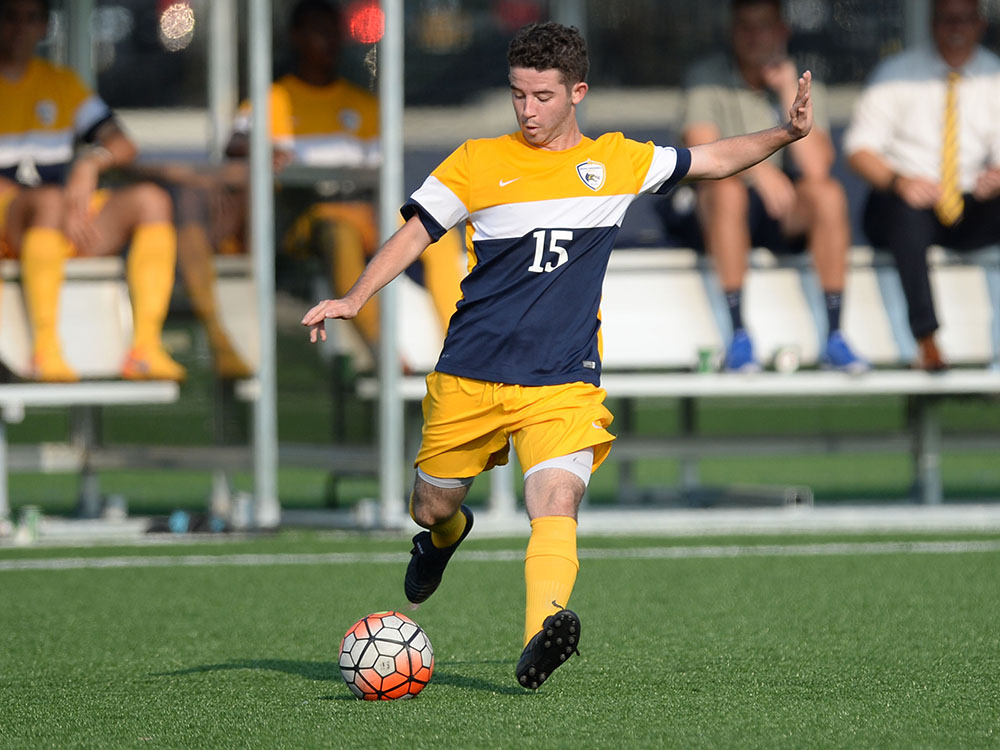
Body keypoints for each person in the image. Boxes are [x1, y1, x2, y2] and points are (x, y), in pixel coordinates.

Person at [302, 22, 815, 689]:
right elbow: (413, 236)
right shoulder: (476, 162)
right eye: (518, 95)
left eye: (542, 96)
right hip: (471, 372)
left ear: (577, 92)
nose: (528, 111)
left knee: (557, 498)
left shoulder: (617, 161)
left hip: (562, 379)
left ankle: (539, 639)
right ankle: (444, 536)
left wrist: (787, 133)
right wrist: (354, 296)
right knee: (429, 504)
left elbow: (712, 160)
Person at [177, 0, 462, 377]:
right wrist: (264, 150)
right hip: (307, 218)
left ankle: (459, 345)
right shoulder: (274, 99)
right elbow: (236, 145)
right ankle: (386, 354)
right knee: (338, 234)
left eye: (333, 33)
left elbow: (382, 173)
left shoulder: (363, 105)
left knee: (436, 236)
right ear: (297, 38)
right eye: (318, 32)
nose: (328, 42)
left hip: (366, 212)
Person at [676, 0, 866, 372]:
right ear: (733, 33)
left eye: (763, 27)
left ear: (782, 32)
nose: (754, 37)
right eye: (745, 27)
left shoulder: (802, 82)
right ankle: (739, 336)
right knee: (727, 190)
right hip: (715, 210)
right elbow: (698, 152)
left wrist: (785, 94)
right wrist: (757, 171)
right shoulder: (707, 77)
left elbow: (816, 167)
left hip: (779, 210)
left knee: (828, 194)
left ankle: (835, 336)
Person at [0, 0, 185, 382]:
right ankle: (45, 349)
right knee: (49, 200)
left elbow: (122, 144)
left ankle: (145, 348)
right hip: (13, 221)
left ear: (43, 27)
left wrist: (89, 163)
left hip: (57, 220)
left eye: (31, 18)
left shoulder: (61, 84)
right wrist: (53, 202)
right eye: (10, 17)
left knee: (152, 200)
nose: (20, 28)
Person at [844, 0, 1000, 371]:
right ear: (933, 23)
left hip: (971, 202)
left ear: (980, 24)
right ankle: (926, 341)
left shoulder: (995, 76)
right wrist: (899, 181)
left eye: (964, 19)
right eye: (947, 19)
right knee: (904, 214)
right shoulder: (898, 73)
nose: (956, 28)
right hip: (907, 197)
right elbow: (859, 150)